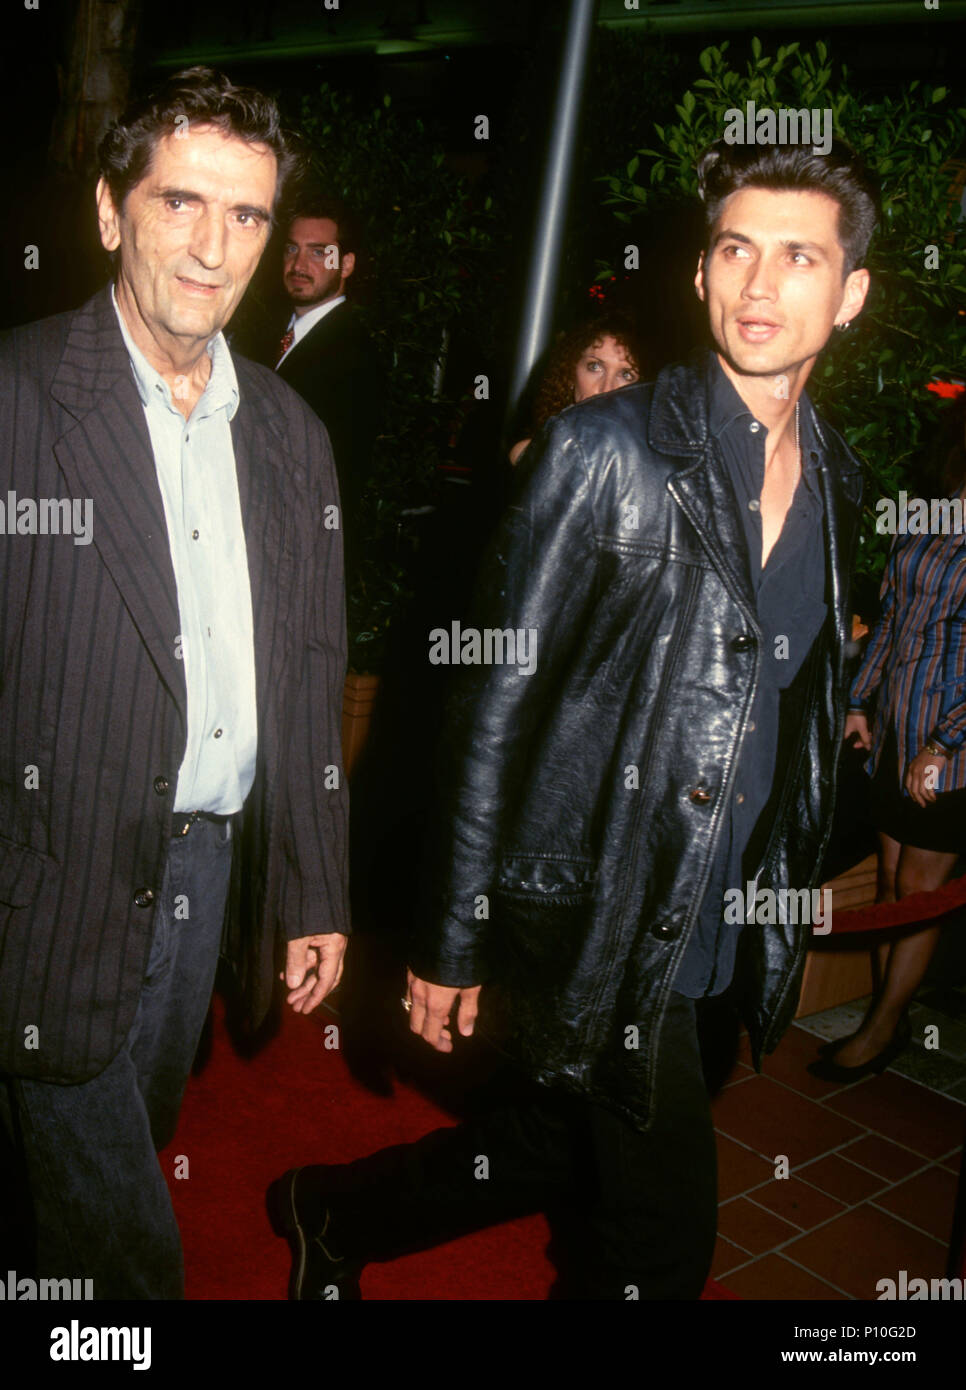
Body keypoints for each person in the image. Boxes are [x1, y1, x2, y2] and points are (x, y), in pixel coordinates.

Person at [270, 138, 875, 1300]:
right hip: (598, 911)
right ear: (699, 276)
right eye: (736, 249)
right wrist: (454, 935)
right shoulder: (605, 451)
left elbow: (786, 698)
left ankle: (330, 1213)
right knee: (658, 1246)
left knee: (557, 1147)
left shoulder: (844, 482)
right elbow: (493, 700)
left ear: (850, 294)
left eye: (799, 256)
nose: (759, 285)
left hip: (721, 921)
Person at [0, 66, 349, 1300]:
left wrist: (313, 884)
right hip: (42, 883)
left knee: (116, 1164)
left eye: (246, 215)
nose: (213, 249)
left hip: (204, 879)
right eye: (181, 204)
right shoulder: (18, 401)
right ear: (110, 213)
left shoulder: (292, 437)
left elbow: (308, 679)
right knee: (130, 1256)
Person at [810, 395, 966, 1082]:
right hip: (899, 723)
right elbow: (897, 615)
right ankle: (887, 1017)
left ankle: (879, 1030)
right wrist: (857, 701)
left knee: (918, 888)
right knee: (890, 882)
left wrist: (946, 742)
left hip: (953, 744)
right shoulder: (935, 509)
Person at [269, 197, 384, 571]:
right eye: (292, 248)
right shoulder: (270, 336)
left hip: (299, 555)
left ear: (346, 264)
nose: (299, 265)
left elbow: (329, 473)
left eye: (319, 253)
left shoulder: (354, 352)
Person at [508, 312, 645, 465]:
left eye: (626, 374)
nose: (607, 389)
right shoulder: (534, 454)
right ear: (570, 372)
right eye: (595, 367)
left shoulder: (648, 462)